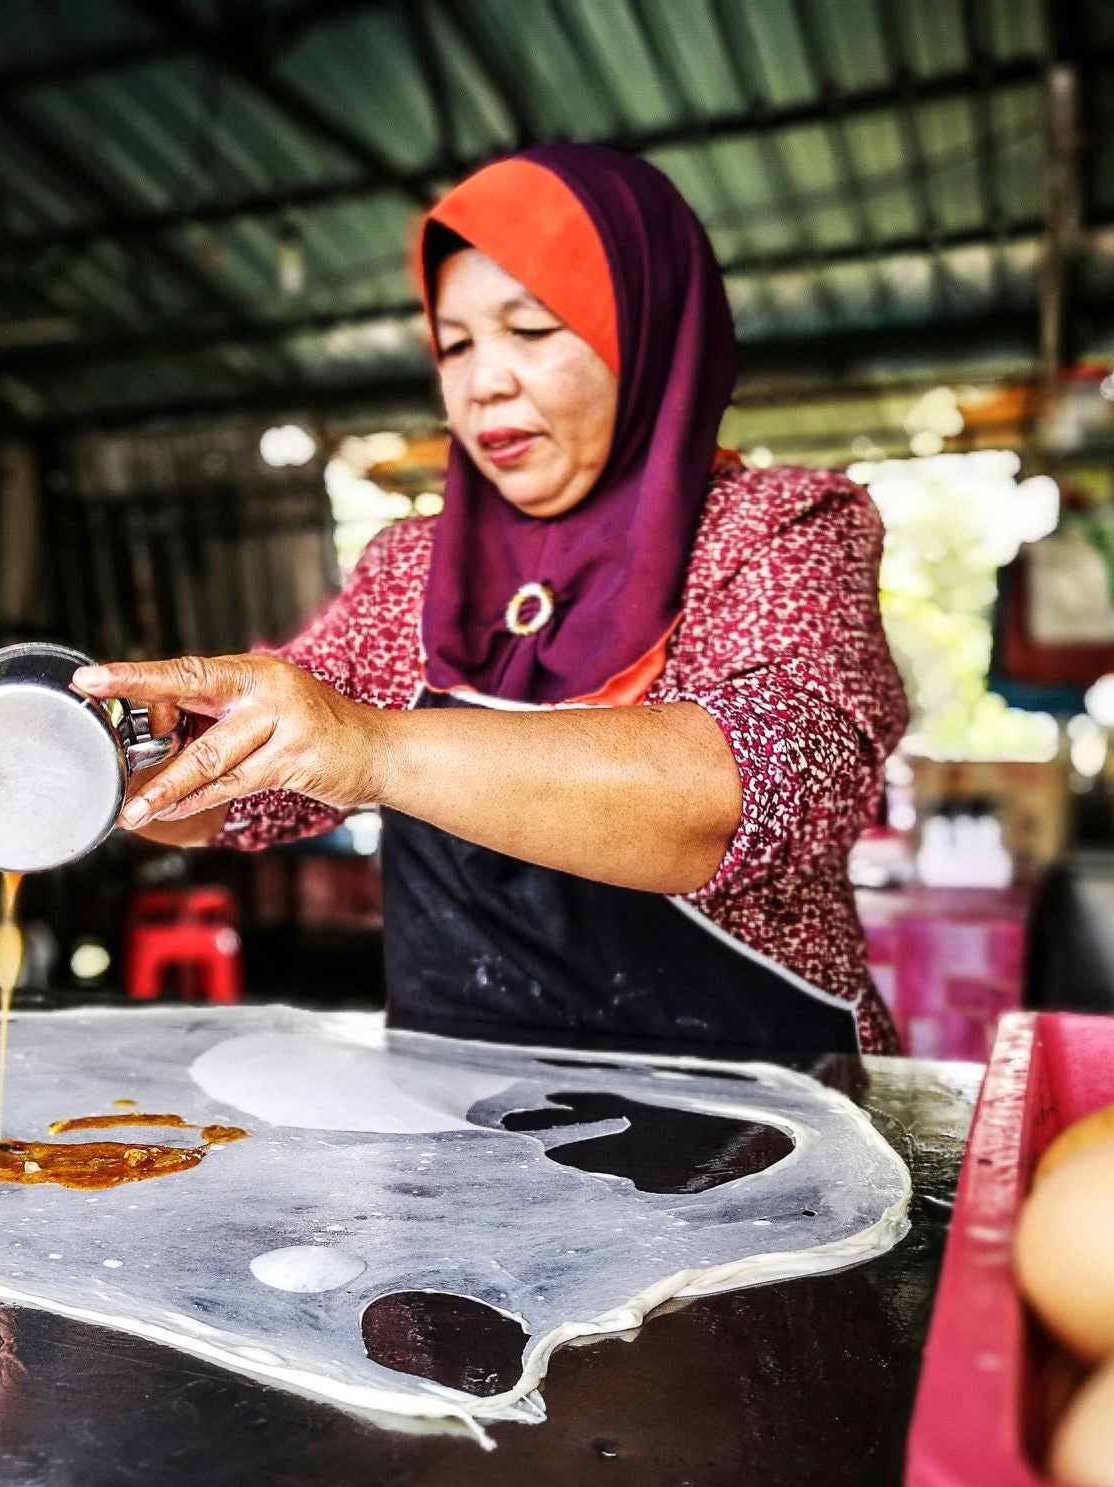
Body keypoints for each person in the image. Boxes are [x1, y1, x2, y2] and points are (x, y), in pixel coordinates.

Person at [72, 145, 908, 1056]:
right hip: (472, 1126)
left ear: (650, 333)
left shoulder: (780, 529)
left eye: (533, 330)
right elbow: (255, 794)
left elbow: (755, 795)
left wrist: (373, 746)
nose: (484, 382)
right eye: (457, 344)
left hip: (760, 1116)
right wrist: (139, 762)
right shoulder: (412, 568)